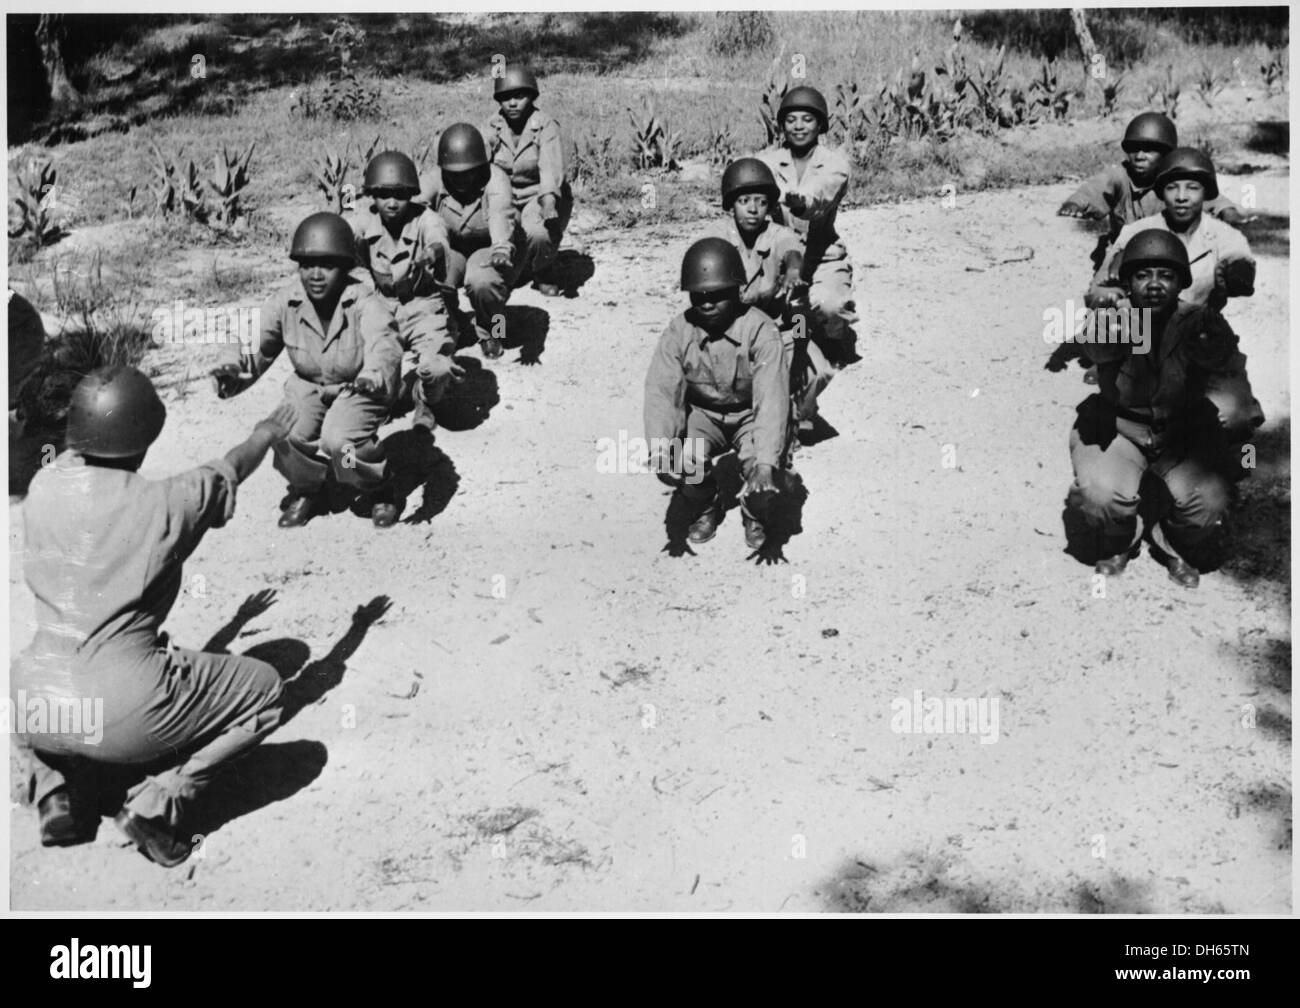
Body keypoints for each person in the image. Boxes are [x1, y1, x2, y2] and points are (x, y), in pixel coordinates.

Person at [11, 365, 296, 866]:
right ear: (144, 439)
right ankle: (156, 805)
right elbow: (231, 467)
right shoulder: (167, 503)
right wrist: (265, 433)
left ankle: (55, 789)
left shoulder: (43, 488)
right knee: (267, 691)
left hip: (34, 701)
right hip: (122, 713)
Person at [1065, 230, 1262, 589]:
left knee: (1211, 505)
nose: (1154, 285)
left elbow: (1232, 372)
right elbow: (1096, 349)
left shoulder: (1202, 322)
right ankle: (1124, 539)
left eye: (1166, 276)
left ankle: (1168, 540)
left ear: (1182, 283)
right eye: (1142, 275)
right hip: (1119, 427)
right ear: (1126, 282)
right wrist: (1106, 325)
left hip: (1181, 433)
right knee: (1099, 496)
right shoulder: (1115, 319)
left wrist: (1238, 433)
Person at [211, 211, 403, 528]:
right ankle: (309, 488)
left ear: (345, 268)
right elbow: (252, 342)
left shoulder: (364, 303)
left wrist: (372, 376)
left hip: (357, 388)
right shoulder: (287, 303)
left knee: (340, 442)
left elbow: (385, 345)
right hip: (308, 385)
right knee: (282, 431)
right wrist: (231, 367)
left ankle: (377, 486)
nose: (315, 274)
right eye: (307, 265)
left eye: (326, 265)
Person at [644, 237, 790, 550]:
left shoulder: (761, 331)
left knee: (766, 472)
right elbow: (663, 392)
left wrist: (765, 462)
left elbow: (771, 399)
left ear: (737, 291)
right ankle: (707, 502)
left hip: (750, 416)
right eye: (699, 295)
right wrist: (661, 448)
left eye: (717, 295)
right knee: (685, 464)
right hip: (705, 417)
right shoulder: (678, 332)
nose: (707, 303)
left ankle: (755, 512)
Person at [350, 150, 463, 432]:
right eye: (383, 194)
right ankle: (389, 397)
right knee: (364, 368)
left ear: (411, 194)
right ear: (372, 195)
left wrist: (430, 255)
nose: (391, 203)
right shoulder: (364, 220)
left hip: (423, 305)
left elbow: (439, 239)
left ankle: (425, 400)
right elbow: (341, 236)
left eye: (400, 195)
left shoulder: (426, 217)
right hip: (382, 307)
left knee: (437, 368)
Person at [713, 157, 829, 430]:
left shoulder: (779, 234)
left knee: (816, 370)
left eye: (761, 202)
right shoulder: (717, 238)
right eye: (744, 201)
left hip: (776, 331)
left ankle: (796, 415)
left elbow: (792, 251)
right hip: (731, 334)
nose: (753, 209)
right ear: (731, 204)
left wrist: (793, 274)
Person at [1059, 112, 1249, 268]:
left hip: (1171, 254)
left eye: (1149, 150)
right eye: (1134, 149)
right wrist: (1076, 203)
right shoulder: (1121, 176)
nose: (1140, 156)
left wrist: (1228, 211)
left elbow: (1209, 198)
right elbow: (1096, 188)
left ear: (1167, 154)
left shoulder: (1175, 179)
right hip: (1125, 254)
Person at [1089, 147, 1256, 313]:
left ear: (1206, 193)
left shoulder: (1222, 234)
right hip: (1143, 327)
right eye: (1172, 188)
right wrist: (1111, 295)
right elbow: (1098, 290)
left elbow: (1238, 260)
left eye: (1192, 188)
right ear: (1161, 192)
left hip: (1199, 329)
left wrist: (1237, 274)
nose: (1181, 197)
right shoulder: (1135, 232)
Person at [757, 85, 858, 350]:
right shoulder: (767, 163)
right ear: (782, 126)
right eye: (791, 120)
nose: (798, 126)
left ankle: (836, 339)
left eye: (807, 119)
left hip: (821, 256)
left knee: (829, 307)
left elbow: (820, 196)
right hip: (779, 259)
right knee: (773, 313)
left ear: (820, 125)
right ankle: (799, 332)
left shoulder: (835, 164)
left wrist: (799, 202)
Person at [417, 123, 521, 360]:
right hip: (455, 247)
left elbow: (500, 213)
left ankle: (495, 331)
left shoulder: (496, 178)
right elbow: (414, 209)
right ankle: (452, 324)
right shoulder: (434, 179)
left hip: (494, 246)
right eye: (455, 173)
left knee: (484, 282)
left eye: (468, 172)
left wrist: (502, 249)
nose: (462, 179)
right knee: (432, 276)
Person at [483, 65, 573, 296]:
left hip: (539, 195)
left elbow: (550, 169)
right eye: (505, 98)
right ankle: (516, 264)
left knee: (539, 232)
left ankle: (543, 269)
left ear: (532, 97)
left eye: (519, 96)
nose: (512, 103)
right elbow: (480, 165)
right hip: (505, 198)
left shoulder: (545, 125)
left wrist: (549, 203)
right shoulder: (492, 126)